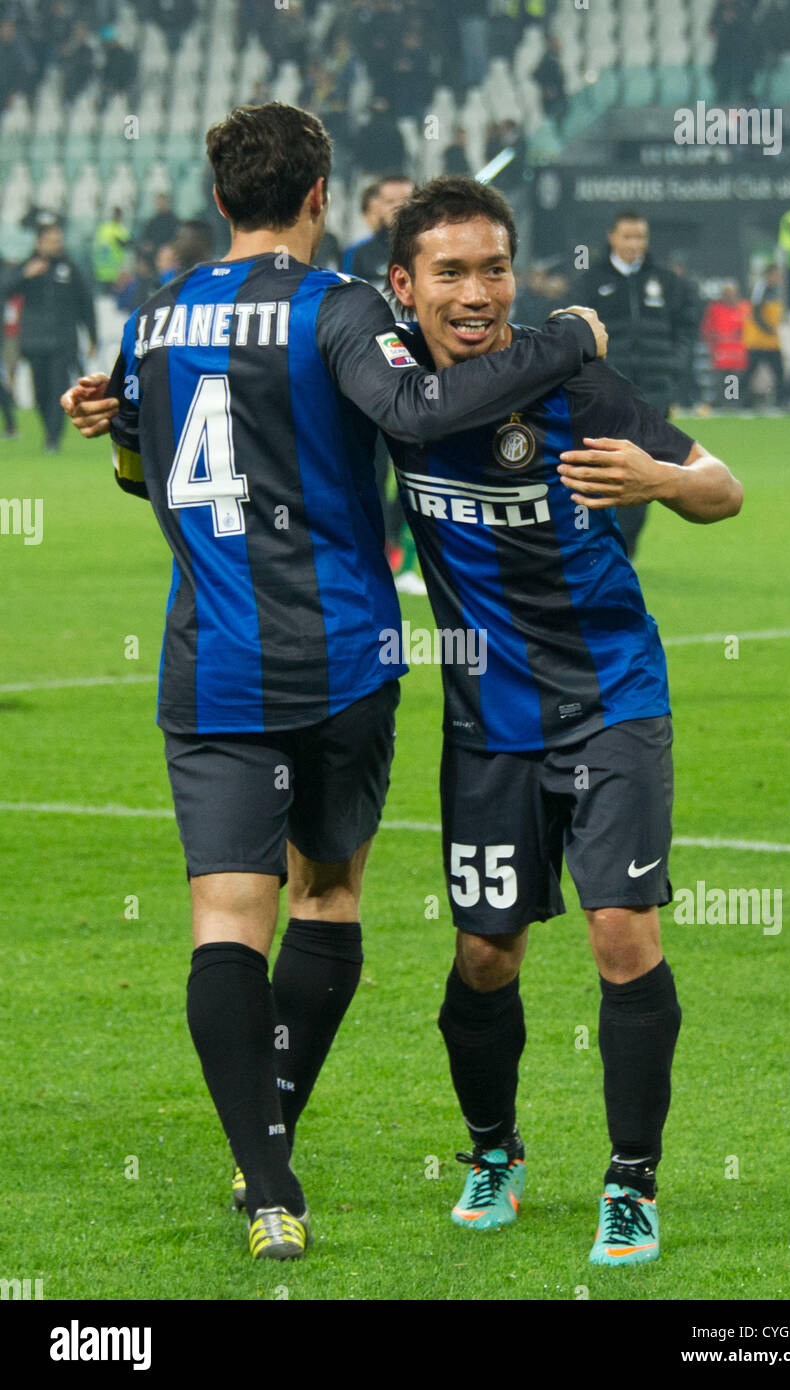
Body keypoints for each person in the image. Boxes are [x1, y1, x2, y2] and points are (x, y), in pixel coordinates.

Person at [59, 104, 606, 1263]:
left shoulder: (154, 315)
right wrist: (562, 338)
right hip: (343, 655)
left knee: (223, 922)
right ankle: (269, 1153)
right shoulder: (340, 306)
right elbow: (416, 408)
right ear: (319, 197)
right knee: (324, 903)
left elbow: (130, 469)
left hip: (208, 660)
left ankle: (268, 1182)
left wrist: (109, 415)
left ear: (220, 202)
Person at [382, 176, 742, 1264]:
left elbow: (721, 485)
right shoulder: (383, 394)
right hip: (487, 721)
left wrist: (656, 479)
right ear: (405, 286)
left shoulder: (571, 385)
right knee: (485, 955)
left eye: (493, 267)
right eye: (450, 272)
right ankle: (492, 1148)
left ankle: (630, 1179)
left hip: (610, 703)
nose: (476, 291)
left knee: (619, 934)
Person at [580, 209, 701, 556]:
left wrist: (673, 367)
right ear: (612, 237)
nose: (635, 244)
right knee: (598, 473)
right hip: (604, 397)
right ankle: (596, 547)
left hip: (653, 396)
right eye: (628, 236)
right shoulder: (591, 282)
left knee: (643, 476)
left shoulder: (668, 282)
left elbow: (688, 329)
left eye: (641, 237)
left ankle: (625, 549)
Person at [2, 218, 95, 453]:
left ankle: (53, 439)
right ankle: (49, 432)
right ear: (40, 242)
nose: (57, 244)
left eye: (59, 240)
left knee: (60, 390)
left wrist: (92, 336)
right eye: (53, 241)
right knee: (40, 392)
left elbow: (86, 303)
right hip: (34, 341)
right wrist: (24, 274)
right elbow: (4, 287)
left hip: (64, 340)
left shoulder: (70, 268)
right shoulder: (27, 267)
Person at [700, 281, 750, 408]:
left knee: (735, 380)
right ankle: (722, 403)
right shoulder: (715, 309)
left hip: (738, 354)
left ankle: (734, 403)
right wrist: (712, 341)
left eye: (731, 294)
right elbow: (707, 329)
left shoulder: (744, 308)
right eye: (726, 294)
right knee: (721, 380)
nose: (729, 297)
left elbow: (749, 330)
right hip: (721, 353)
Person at [741, 264, 785, 408]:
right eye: (777, 274)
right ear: (769, 275)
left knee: (779, 373)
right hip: (758, 341)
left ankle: (782, 402)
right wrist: (768, 329)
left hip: (770, 342)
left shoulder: (775, 290)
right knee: (748, 374)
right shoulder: (761, 289)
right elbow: (756, 314)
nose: (779, 278)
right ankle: (735, 399)